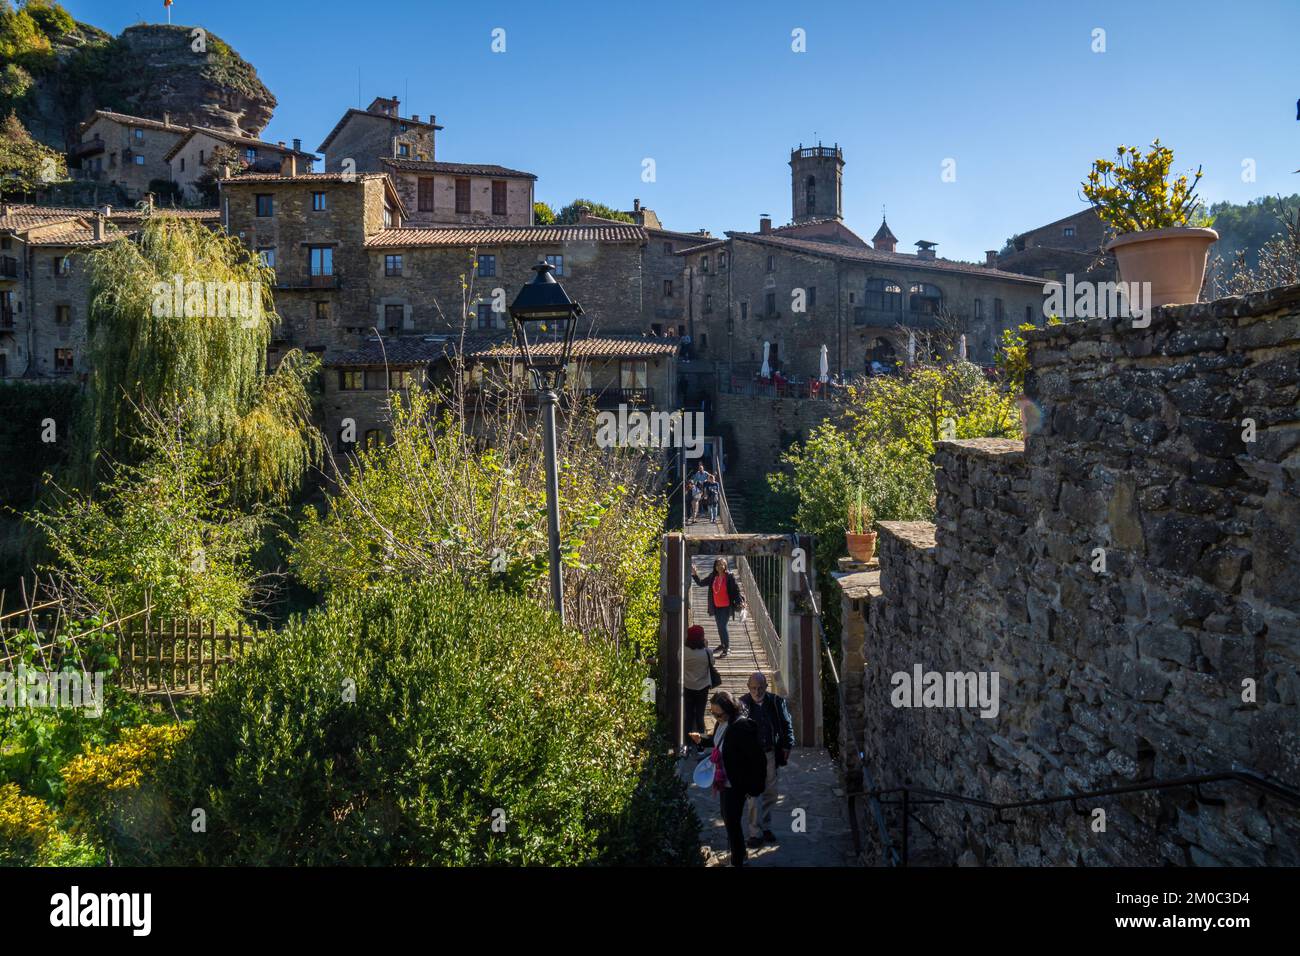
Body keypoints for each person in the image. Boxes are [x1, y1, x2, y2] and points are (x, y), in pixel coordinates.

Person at [688, 691, 767, 867]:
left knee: (732, 821)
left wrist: (754, 786)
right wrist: (701, 738)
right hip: (724, 780)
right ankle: (740, 855)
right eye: (712, 713)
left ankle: (738, 861)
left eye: (718, 714)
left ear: (730, 710)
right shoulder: (722, 723)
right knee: (728, 818)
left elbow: (757, 758)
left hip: (736, 783)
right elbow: (718, 741)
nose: (716, 717)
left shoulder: (741, 727)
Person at [740, 672, 795, 847]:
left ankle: (765, 826)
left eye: (760, 688)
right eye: (754, 688)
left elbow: (787, 724)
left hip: (770, 753)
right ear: (748, 687)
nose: (757, 691)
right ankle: (755, 832)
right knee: (754, 794)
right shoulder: (741, 705)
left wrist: (787, 745)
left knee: (771, 792)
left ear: (766, 686)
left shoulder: (776, 702)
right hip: (751, 756)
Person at [692, 557, 744, 657]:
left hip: (726, 606)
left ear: (725, 566)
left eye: (722, 564)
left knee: (722, 626)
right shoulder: (713, 577)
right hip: (716, 606)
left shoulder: (729, 577)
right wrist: (695, 574)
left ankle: (727, 648)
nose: (720, 566)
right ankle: (722, 644)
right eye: (718, 564)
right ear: (715, 566)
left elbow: (736, 591)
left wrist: (740, 602)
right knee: (719, 627)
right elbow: (701, 583)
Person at [682, 625, 714, 751]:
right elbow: (713, 663)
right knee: (700, 715)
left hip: (688, 686)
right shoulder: (707, 652)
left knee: (689, 715)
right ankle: (701, 743)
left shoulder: (683, 651)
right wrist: (706, 646)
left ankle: (687, 742)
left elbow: (680, 661)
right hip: (702, 687)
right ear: (702, 637)